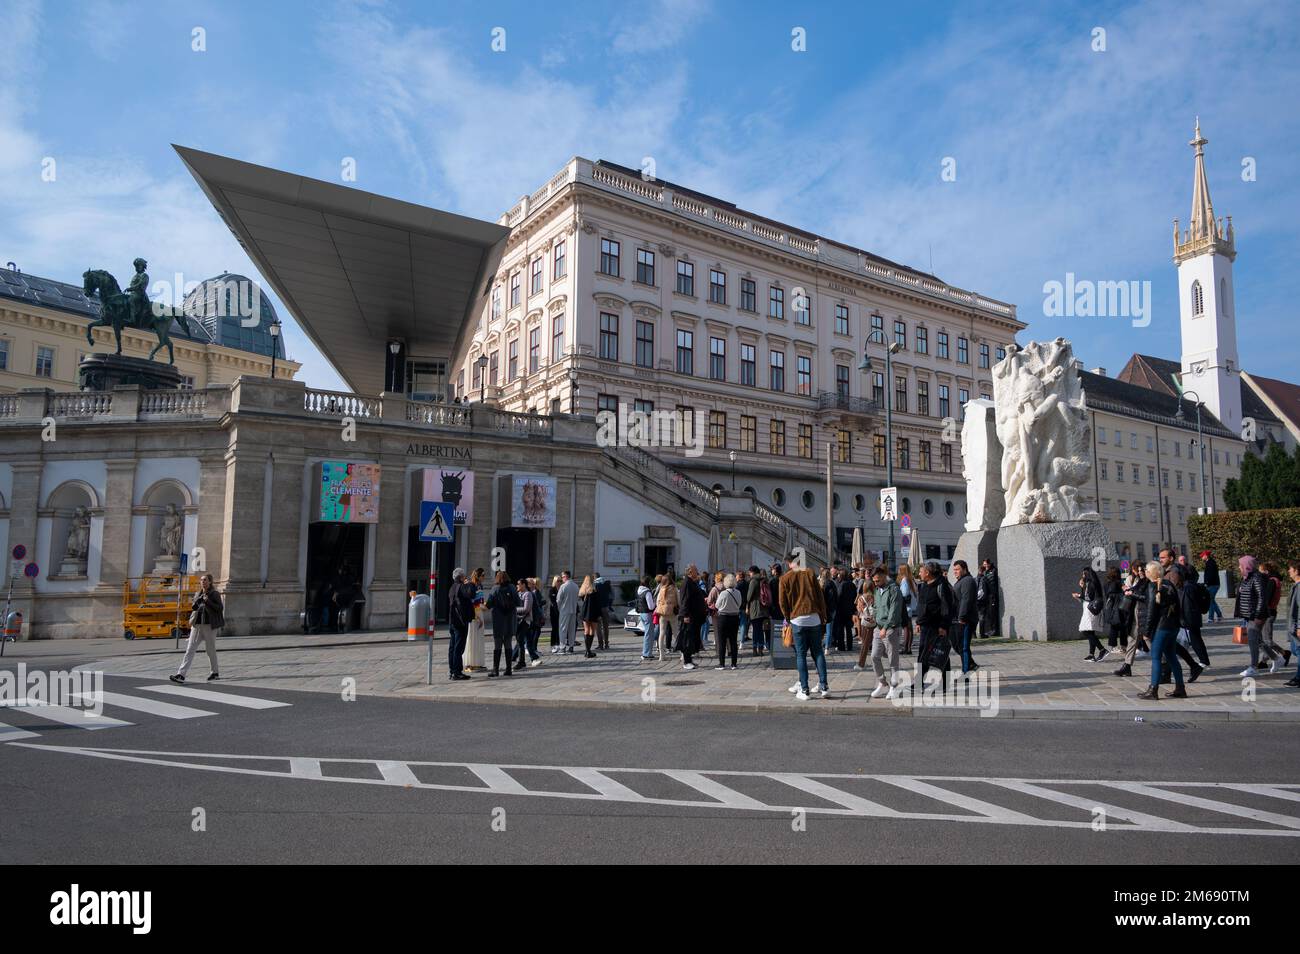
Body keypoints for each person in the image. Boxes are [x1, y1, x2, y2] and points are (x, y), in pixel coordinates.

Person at [778, 553, 828, 700]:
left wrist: (788, 616)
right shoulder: (810, 573)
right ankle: (824, 686)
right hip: (814, 617)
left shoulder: (785, 578)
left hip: (797, 618)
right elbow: (820, 596)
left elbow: (782, 602)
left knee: (801, 655)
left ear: (789, 563)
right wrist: (823, 615)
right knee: (818, 652)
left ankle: (804, 689)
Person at [1138, 562, 1187, 700]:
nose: (1144, 571)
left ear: (1150, 573)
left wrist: (1146, 631)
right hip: (1173, 626)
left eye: (1146, 569)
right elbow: (1178, 605)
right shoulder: (1168, 584)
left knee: (1156, 657)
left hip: (1161, 627)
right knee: (1172, 657)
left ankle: (1153, 689)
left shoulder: (1153, 586)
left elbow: (1151, 611)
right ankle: (1180, 688)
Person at [1235, 555, 1283, 677]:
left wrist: (1258, 615)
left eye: (1240, 565)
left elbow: (1262, 598)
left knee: (1252, 640)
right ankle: (1277, 659)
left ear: (1247, 566)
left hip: (1257, 615)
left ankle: (1253, 667)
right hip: (1249, 614)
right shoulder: (1246, 578)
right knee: (1258, 640)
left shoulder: (1257, 578)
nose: (1239, 567)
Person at [171, 573, 223, 683]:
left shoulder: (214, 594)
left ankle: (214, 672)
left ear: (210, 582)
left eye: (205, 580)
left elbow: (219, 608)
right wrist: (198, 601)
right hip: (197, 625)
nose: (203, 582)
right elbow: (194, 607)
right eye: (201, 580)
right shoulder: (198, 593)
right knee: (190, 649)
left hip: (209, 626)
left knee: (210, 650)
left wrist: (207, 601)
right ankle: (181, 674)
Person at [866, 566, 903, 698]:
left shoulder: (894, 589)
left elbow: (894, 612)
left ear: (884, 575)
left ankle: (895, 686)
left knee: (893, 660)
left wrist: (885, 627)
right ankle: (883, 683)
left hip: (891, 628)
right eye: (874, 581)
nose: (875, 583)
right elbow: (876, 607)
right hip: (878, 627)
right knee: (874, 656)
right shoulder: (877, 590)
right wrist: (872, 616)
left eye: (877, 580)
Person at [914, 562, 952, 690]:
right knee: (925, 653)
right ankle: (920, 682)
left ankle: (942, 682)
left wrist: (943, 626)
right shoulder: (924, 585)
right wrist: (919, 622)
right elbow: (922, 605)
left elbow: (946, 608)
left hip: (936, 626)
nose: (919, 573)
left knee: (938, 653)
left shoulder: (942, 586)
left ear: (928, 573)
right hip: (925, 626)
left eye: (921, 571)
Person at [486, 571, 519, 676]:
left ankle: (496, 670)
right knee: (508, 643)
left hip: (498, 619)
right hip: (509, 619)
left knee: (498, 644)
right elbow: (518, 602)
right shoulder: (512, 587)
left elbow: (489, 604)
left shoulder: (495, 588)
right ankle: (508, 669)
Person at [950, 560, 979, 675]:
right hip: (958, 619)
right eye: (954, 570)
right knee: (958, 645)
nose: (955, 572)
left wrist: (962, 617)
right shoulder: (960, 581)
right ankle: (971, 664)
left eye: (957, 569)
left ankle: (966, 672)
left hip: (966, 620)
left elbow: (966, 600)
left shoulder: (967, 581)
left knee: (964, 647)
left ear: (964, 569)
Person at [1074, 566, 1108, 662]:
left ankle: (1102, 649)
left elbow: (1088, 597)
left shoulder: (1091, 583)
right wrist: (1083, 587)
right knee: (1090, 631)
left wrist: (1082, 590)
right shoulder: (1092, 582)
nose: (1082, 576)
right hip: (1091, 609)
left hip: (1091, 610)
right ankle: (1091, 654)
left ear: (1087, 574)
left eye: (1083, 574)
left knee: (1084, 630)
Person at [677, 565, 707, 670]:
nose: (697, 571)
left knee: (692, 638)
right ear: (690, 571)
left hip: (694, 616)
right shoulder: (686, 582)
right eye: (695, 570)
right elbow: (685, 600)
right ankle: (686, 661)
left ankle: (689, 659)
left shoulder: (692, 581)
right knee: (687, 639)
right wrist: (685, 615)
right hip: (688, 616)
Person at [446, 568, 474, 681]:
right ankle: (457, 672)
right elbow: (471, 594)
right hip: (460, 622)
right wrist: (470, 584)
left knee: (452, 647)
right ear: (462, 577)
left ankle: (452, 671)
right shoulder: (462, 587)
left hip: (453, 621)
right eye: (464, 576)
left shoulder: (452, 587)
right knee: (458, 648)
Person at [713, 573, 743, 670]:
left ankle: (722, 664)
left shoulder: (723, 593)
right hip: (734, 617)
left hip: (723, 618)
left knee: (722, 641)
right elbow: (740, 604)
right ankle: (734, 664)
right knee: (733, 641)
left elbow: (717, 605)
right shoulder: (738, 592)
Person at [514, 577, 541, 668]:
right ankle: (534, 658)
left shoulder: (528, 594)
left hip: (525, 621)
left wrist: (514, 610)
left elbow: (526, 609)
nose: (517, 585)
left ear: (523, 585)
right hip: (519, 620)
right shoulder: (518, 593)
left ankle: (521, 661)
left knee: (520, 641)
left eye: (518, 584)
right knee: (527, 640)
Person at [745, 565, 770, 656]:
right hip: (764, 608)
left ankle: (755, 649)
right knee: (761, 630)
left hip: (755, 609)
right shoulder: (764, 580)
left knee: (756, 630)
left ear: (753, 572)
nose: (749, 574)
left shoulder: (753, 581)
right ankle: (761, 649)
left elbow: (748, 597)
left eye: (750, 572)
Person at [656, 569, 680, 661]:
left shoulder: (661, 589)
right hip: (672, 613)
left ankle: (661, 655)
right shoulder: (674, 589)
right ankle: (682, 653)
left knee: (662, 633)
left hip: (662, 613)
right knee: (676, 633)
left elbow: (657, 601)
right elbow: (679, 601)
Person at [1103, 567, 1128, 651]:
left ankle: (1113, 646)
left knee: (1114, 626)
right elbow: (1120, 594)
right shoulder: (1118, 583)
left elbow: (1107, 595)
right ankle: (1123, 646)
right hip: (1120, 607)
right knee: (1122, 627)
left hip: (1111, 607)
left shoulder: (1106, 583)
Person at [836, 567, 858, 653]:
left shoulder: (842, 584)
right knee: (849, 629)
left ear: (841, 576)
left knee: (841, 628)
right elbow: (854, 596)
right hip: (850, 609)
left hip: (841, 610)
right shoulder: (852, 584)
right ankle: (849, 645)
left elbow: (839, 596)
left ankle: (841, 646)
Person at [556, 570, 578, 655]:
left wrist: (559, 609)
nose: (562, 579)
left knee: (562, 629)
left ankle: (562, 647)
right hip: (573, 609)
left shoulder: (563, 586)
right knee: (571, 629)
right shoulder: (576, 586)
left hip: (564, 610)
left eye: (562, 577)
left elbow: (558, 600)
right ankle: (571, 646)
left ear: (566, 576)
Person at [1285, 562, 1300, 688]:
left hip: (1297, 625)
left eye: (1290, 569)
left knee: (1298, 650)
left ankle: (1299, 677)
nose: (1289, 571)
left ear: (1297, 571)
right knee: (1295, 650)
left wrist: (1299, 626)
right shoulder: (1296, 586)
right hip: (1293, 624)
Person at [579, 574, 601, 658]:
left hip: (585, 612)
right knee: (592, 630)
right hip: (593, 612)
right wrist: (599, 614)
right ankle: (589, 651)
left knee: (586, 630)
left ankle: (587, 651)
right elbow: (598, 604)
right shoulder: (594, 590)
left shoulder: (583, 591)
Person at [977, 559, 1000, 638]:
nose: (985, 566)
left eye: (986, 564)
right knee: (987, 614)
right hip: (986, 597)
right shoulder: (984, 574)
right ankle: (988, 630)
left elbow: (992, 584)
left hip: (991, 595)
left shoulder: (993, 571)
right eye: (984, 564)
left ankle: (994, 630)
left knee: (992, 613)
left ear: (989, 564)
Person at [898, 564, 918, 655]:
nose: (898, 571)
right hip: (910, 607)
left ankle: (905, 647)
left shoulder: (904, 580)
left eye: (899, 569)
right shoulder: (911, 580)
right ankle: (908, 648)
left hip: (905, 607)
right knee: (909, 628)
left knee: (906, 627)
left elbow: (905, 593)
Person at [635, 575, 656, 659]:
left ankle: (647, 653)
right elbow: (651, 606)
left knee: (647, 634)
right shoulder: (647, 592)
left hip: (642, 613)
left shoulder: (639, 590)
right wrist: (655, 603)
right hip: (647, 613)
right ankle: (646, 653)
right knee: (649, 634)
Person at [1200, 550, 1223, 621]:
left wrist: (1206, 583)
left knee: (1210, 601)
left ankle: (1211, 618)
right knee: (1212, 600)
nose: (1201, 557)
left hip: (1212, 585)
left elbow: (1210, 575)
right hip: (1214, 584)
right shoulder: (1210, 562)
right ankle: (1219, 615)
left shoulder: (1210, 563)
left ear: (1206, 556)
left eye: (1202, 556)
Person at [820, 567, 838, 652]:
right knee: (829, 629)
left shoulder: (820, 584)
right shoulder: (831, 583)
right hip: (831, 609)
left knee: (821, 628)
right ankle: (827, 647)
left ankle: (819, 644)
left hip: (822, 608)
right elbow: (835, 596)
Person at [594, 573, 614, 651]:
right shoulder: (607, 584)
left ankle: (600, 644)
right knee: (606, 626)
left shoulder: (595, 585)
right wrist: (609, 604)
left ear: (594, 578)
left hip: (598, 608)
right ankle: (606, 644)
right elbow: (612, 595)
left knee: (598, 627)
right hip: (606, 607)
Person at [548, 575, 562, 651]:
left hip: (561, 611)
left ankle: (559, 643)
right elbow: (552, 600)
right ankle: (554, 644)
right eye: (558, 581)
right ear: (555, 581)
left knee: (559, 628)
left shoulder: (562, 589)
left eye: (560, 581)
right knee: (554, 628)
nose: (559, 582)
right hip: (554, 611)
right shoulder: (552, 589)